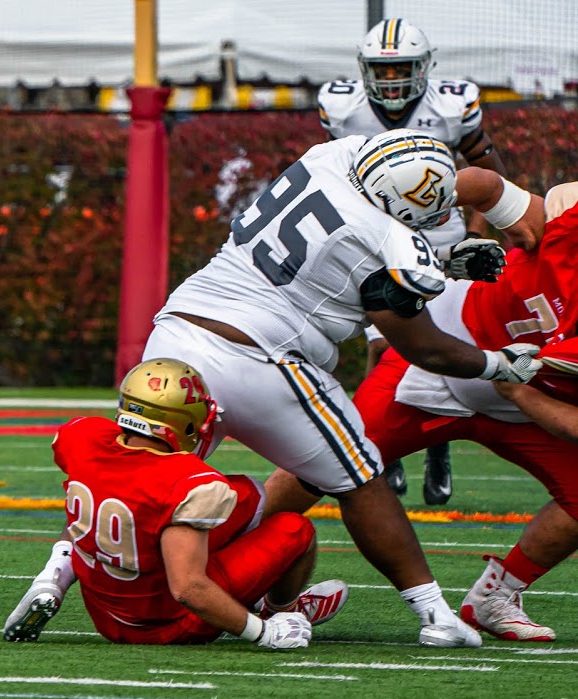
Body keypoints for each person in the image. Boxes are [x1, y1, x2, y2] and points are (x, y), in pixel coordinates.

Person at [107, 130, 540, 648]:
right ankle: (435, 615)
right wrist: (498, 364)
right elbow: (429, 349)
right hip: (262, 357)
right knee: (361, 477)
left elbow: (340, 251)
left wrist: (440, 263)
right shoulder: (392, 242)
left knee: (134, 473)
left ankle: (56, 575)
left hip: (179, 328)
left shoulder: (332, 154)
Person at [263, 183, 578, 642]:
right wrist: (409, 229)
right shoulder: (561, 227)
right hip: (435, 359)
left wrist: (519, 396)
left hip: (522, 401)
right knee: (321, 461)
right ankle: (224, 560)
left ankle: (496, 596)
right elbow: (483, 184)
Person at [4, 359, 344, 648]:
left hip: (105, 614)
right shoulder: (189, 481)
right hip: (167, 623)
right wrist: (265, 633)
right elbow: (187, 588)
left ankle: (54, 574)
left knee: (240, 497)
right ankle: (275, 610)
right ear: (182, 421)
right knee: (292, 527)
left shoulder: (82, 436)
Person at [319, 18, 510, 505]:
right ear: (363, 72)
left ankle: (438, 446)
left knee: (440, 343)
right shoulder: (341, 108)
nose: (390, 81)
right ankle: (389, 448)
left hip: (441, 235)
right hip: (380, 237)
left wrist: (473, 233)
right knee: (384, 347)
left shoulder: (451, 105)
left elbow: (488, 173)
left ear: (424, 67)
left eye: (400, 69)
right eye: (381, 72)